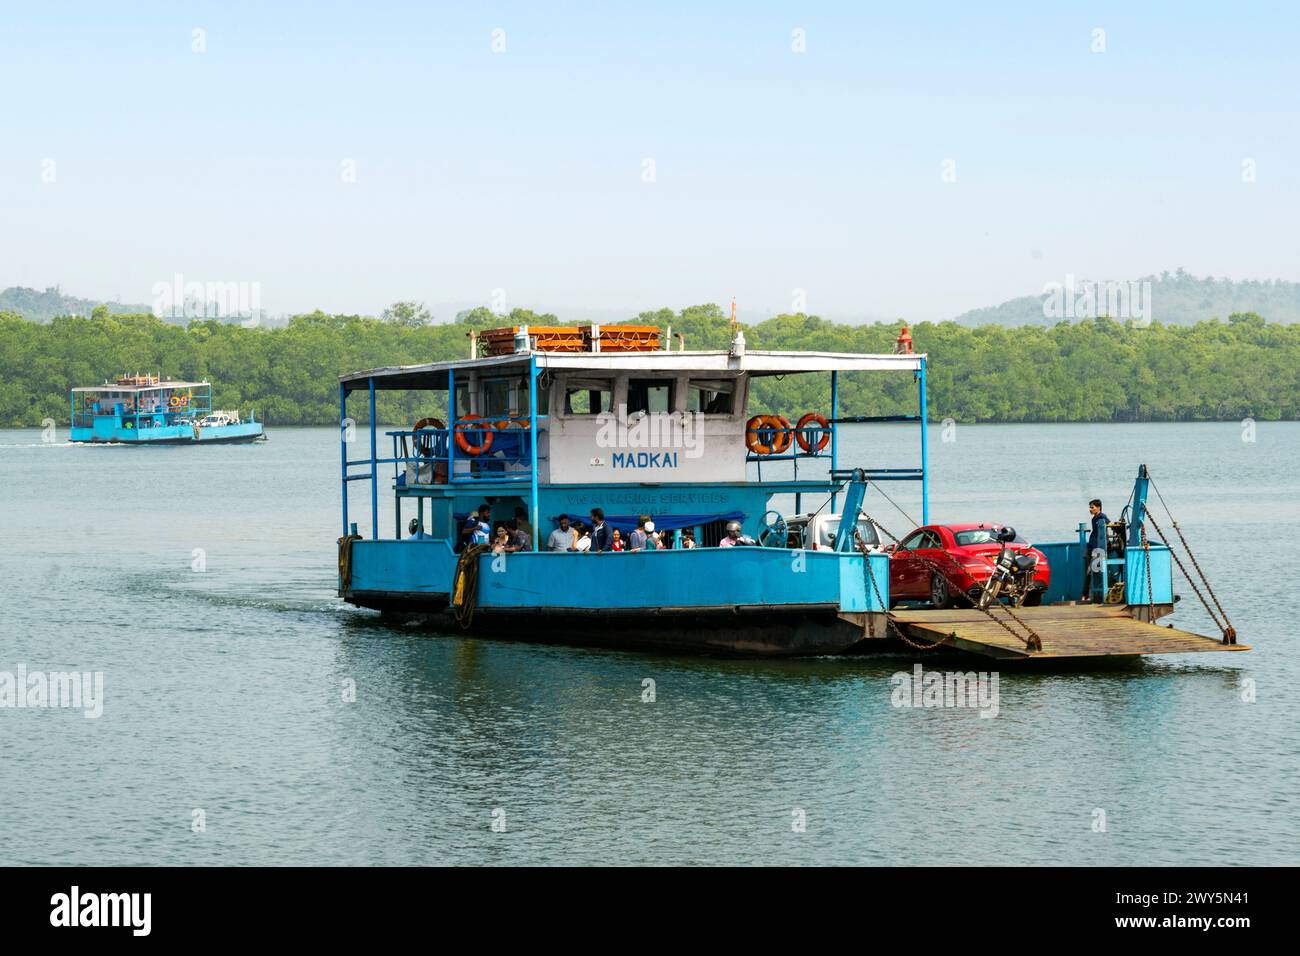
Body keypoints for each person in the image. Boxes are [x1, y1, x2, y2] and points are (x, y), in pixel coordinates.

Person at [1081, 498, 1109, 602]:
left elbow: (1109, 524)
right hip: (1091, 547)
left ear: (1098, 507)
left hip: (1098, 549)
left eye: (1092, 507)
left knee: (1093, 571)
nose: (1090, 509)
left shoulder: (1102, 517)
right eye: (1090, 507)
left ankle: (1088, 595)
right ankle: (1086, 595)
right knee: (1088, 572)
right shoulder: (1094, 518)